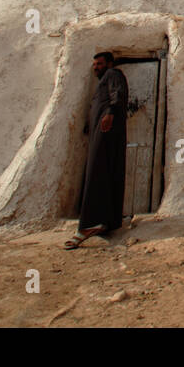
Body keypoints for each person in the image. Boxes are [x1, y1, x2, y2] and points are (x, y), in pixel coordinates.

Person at [64, 52, 128, 249]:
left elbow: (117, 95)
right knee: (106, 171)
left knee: (96, 171)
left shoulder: (113, 74)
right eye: (94, 64)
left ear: (109, 63)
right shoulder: (103, 81)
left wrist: (108, 114)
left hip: (106, 130)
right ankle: (108, 221)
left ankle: (88, 225)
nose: (96, 67)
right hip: (101, 131)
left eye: (99, 63)